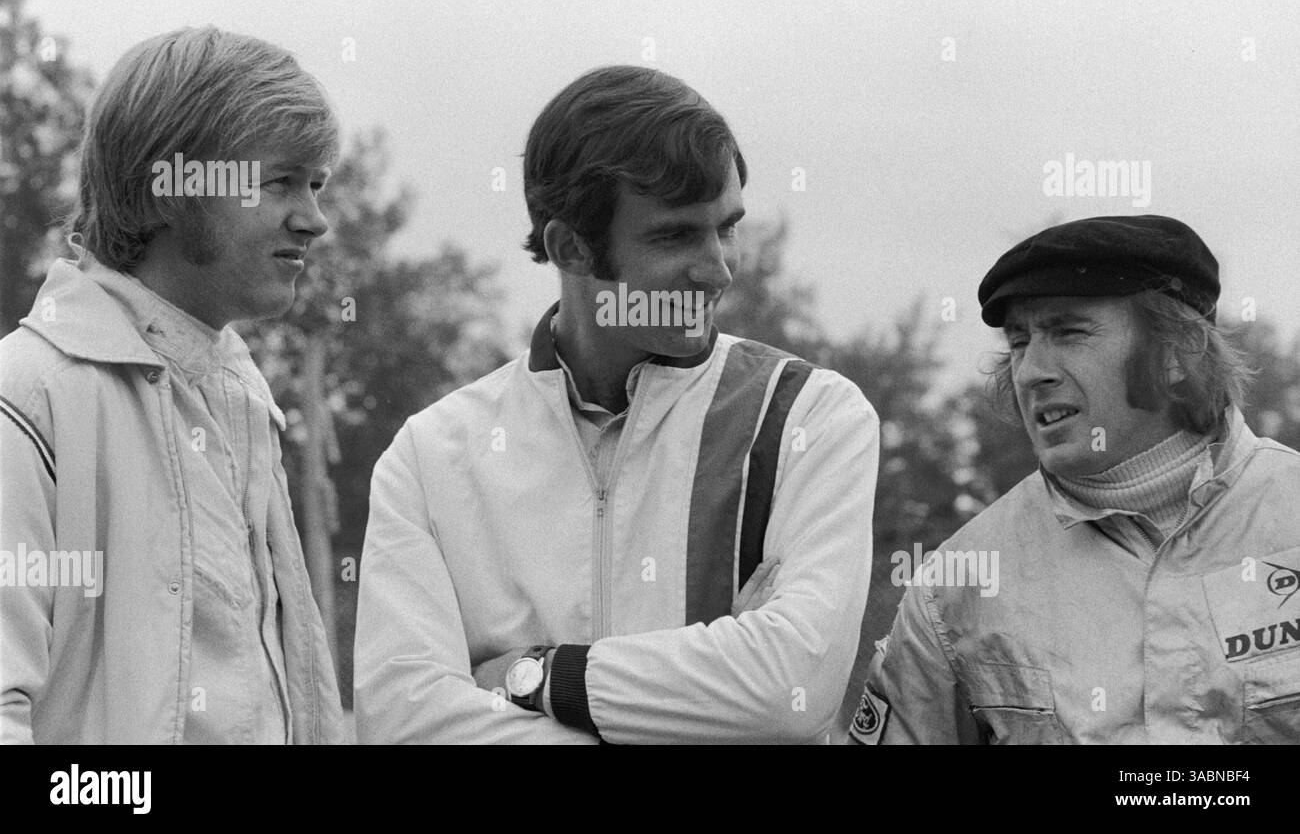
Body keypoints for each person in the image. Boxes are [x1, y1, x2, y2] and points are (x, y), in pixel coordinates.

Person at [354, 65, 879, 744]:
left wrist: (536, 678)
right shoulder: (430, 454)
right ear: (569, 246)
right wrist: (704, 704)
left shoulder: (813, 416)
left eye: (727, 228)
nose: (718, 266)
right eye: (676, 235)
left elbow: (790, 687)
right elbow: (402, 721)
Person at [0, 26, 345, 744]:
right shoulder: (28, 399)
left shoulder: (241, 398)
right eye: (279, 180)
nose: (315, 218)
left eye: (316, 184)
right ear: (167, 187)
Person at [850, 214, 1300, 744]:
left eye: (1068, 333)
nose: (1029, 371)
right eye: (1019, 342)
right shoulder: (957, 586)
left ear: (1178, 352)